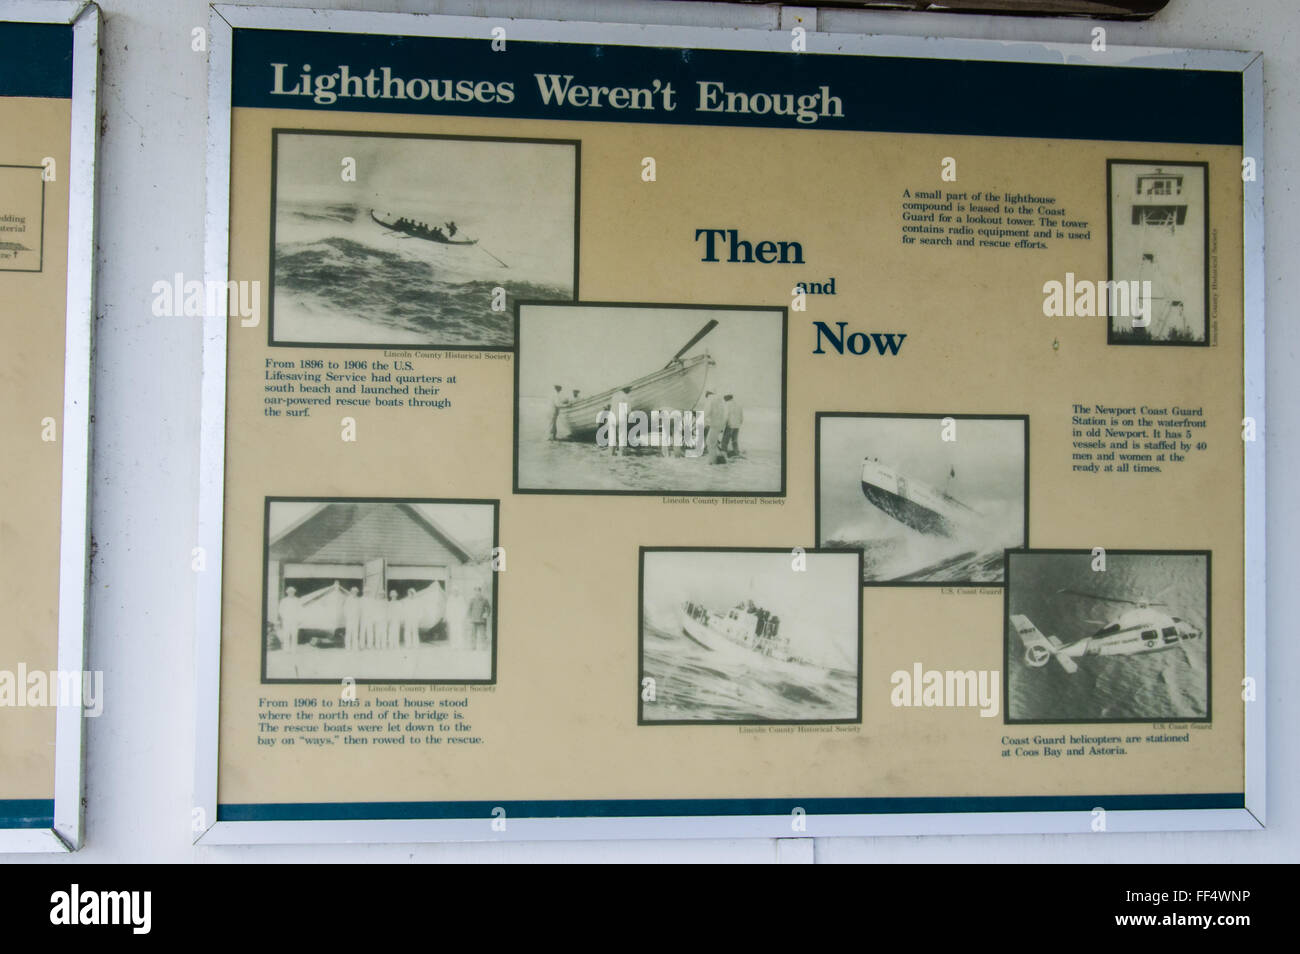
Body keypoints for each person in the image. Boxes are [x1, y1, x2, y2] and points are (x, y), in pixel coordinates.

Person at [278, 586, 302, 653]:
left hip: (295, 620)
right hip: (286, 620)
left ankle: (294, 649)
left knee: (294, 634)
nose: (291, 593)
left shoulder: (297, 600)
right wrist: (284, 617)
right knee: (286, 634)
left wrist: (299, 619)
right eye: (289, 592)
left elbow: (300, 610)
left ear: (294, 592)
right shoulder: (284, 600)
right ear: (287, 593)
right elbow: (280, 610)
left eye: (292, 592)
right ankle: (286, 649)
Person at [343, 586, 361, 651]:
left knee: (355, 632)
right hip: (350, 619)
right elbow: (345, 609)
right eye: (353, 592)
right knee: (349, 632)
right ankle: (348, 647)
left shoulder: (358, 600)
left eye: (356, 592)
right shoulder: (348, 599)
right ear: (351, 592)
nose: (355, 593)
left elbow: (359, 610)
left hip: (356, 619)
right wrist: (347, 617)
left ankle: (355, 647)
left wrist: (358, 617)